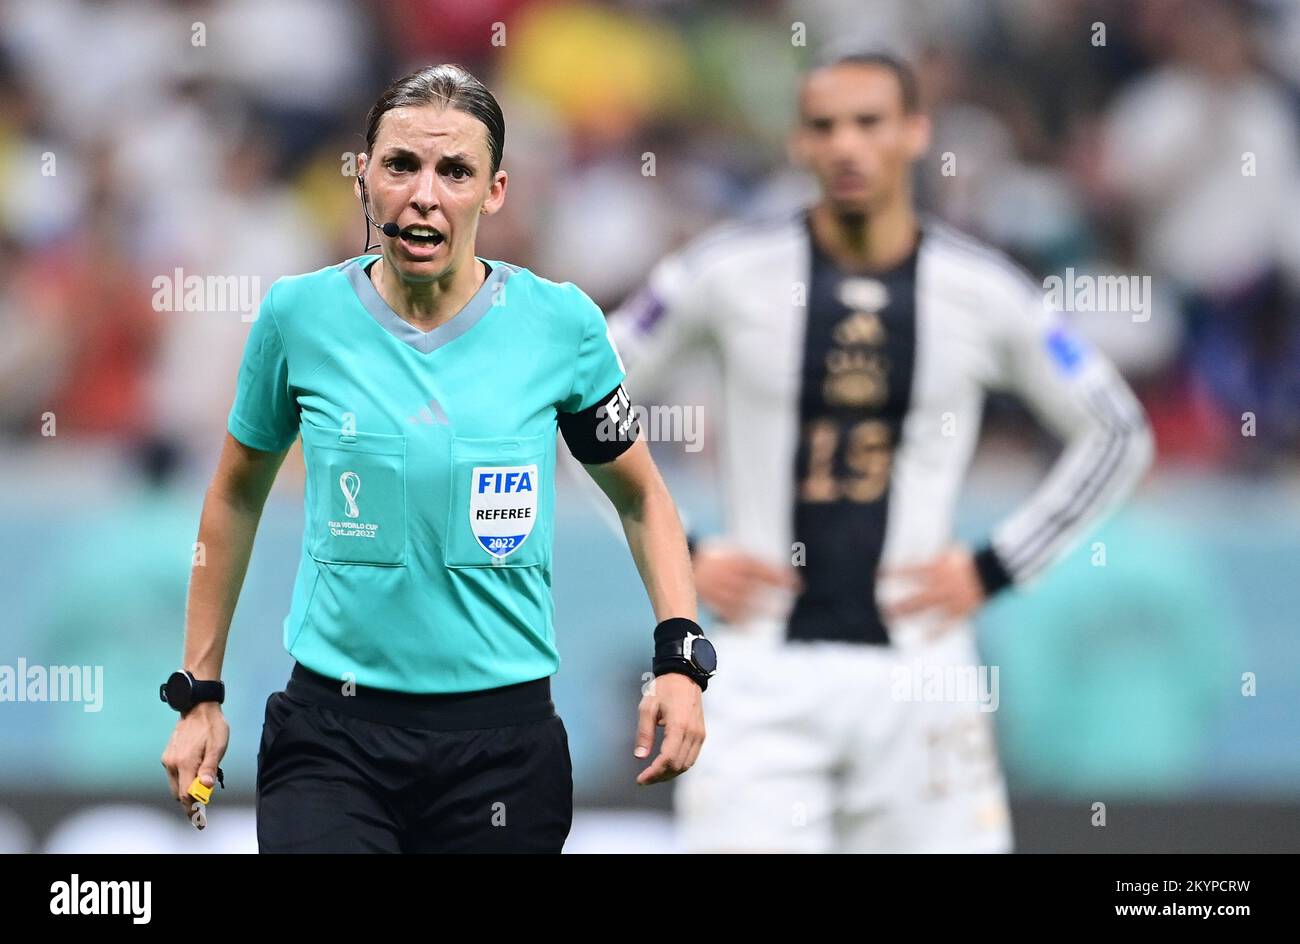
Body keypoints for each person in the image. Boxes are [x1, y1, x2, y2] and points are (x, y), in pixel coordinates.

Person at [606, 51, 1153, 852]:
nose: (847, 146)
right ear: (799, 143)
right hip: (757, 667)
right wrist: (680, 554)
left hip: (921, 667)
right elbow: (579, 401)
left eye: (869, 123)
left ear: (915, 133)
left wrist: (996, 566)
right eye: (825, 126)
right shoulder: (726, 273)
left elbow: (1116, 432)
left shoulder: (983, 289)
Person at [159, 63, 713, 853]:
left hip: (502, 752)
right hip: (332, 741)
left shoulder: (560, 328)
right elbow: (234, 497)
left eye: (454, 171)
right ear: (363, 178)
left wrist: (681, 661)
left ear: (494, 192)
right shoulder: (299, 317)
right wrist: (199, 692)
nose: (424, 193)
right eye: (401, 165)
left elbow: (642, 498)